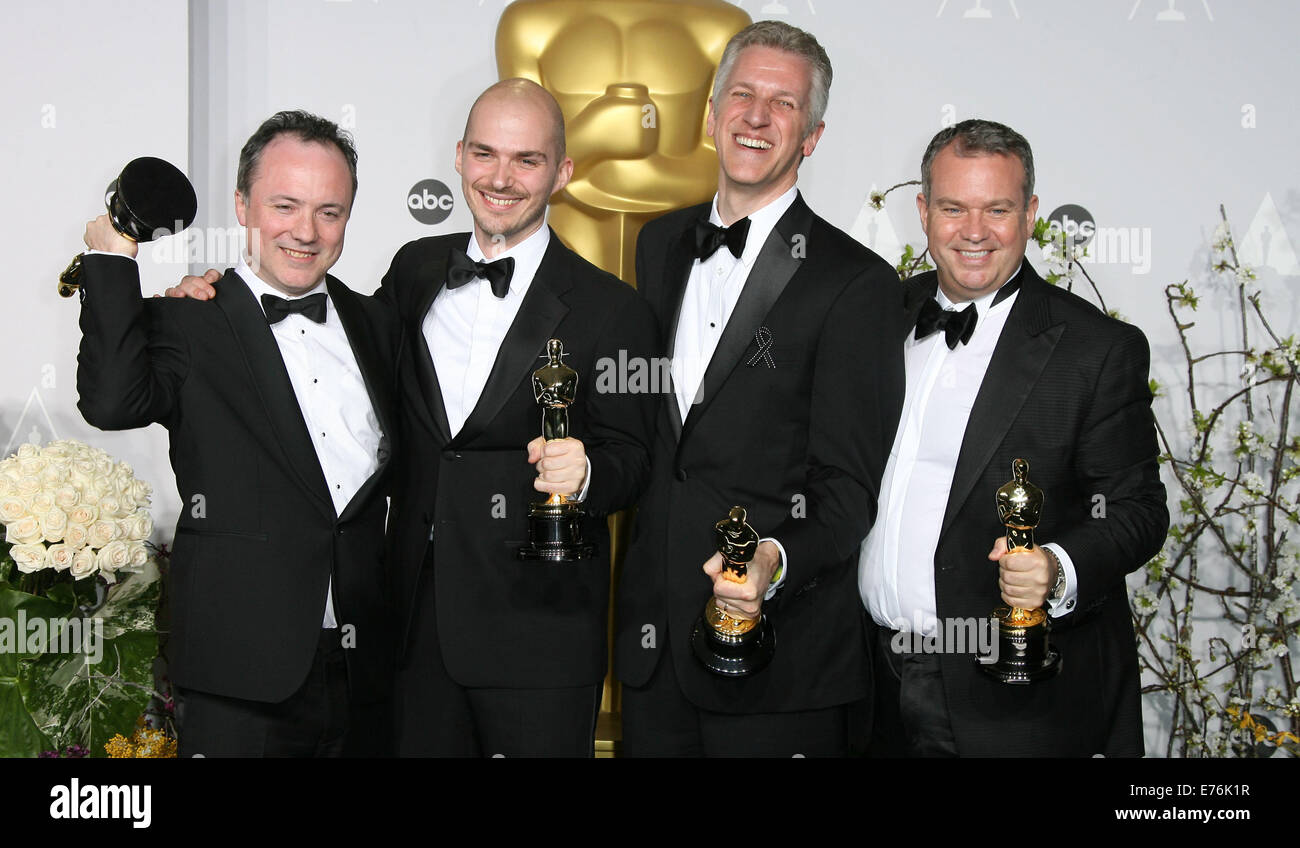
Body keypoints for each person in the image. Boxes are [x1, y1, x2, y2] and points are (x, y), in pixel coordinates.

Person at [613, 20, 899, 756]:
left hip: (780, 659)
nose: (757, 117)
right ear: (710, 115)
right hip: (654, 655)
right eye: (742, 95)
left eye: (784, 104)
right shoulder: (659, 243)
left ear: (813, 135)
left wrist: (772, 560)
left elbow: (847, 489)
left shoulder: (856, 283)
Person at [76, 111, 398, 757]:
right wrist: (110, 257)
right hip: (238, 674)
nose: (306, 232)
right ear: (242, 205)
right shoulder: (189, 318)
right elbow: (111, 404)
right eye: (285, 205)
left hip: (370, 668)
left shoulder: (377, 322)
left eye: (329, 211)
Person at [858, 118, 1169, 756]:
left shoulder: (1097, 350)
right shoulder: (874, 317)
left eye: (997, 209)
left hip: (1008, 701)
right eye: (953, 208)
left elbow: (1138, 510)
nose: (974, 232)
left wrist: (1058, 567)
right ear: (923, 211)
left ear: (1029, 214)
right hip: (868, 685)